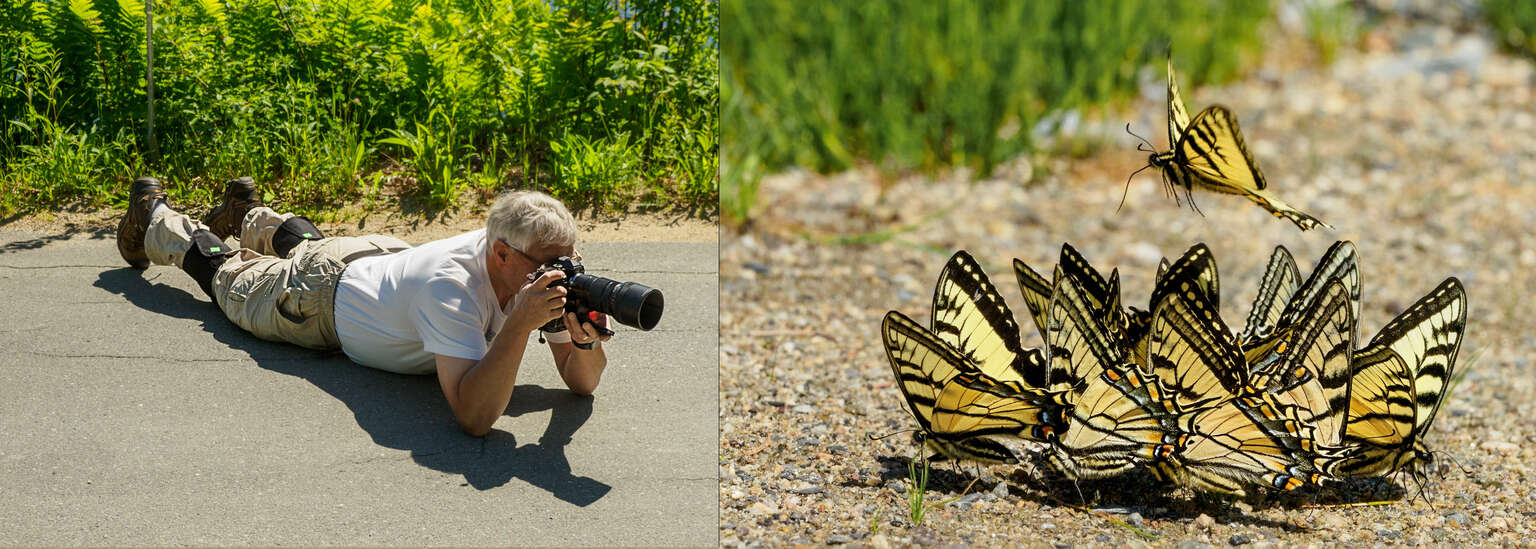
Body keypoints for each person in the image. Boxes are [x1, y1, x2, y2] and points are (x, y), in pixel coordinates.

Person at [115, 177, 611, 436]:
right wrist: (520, 325)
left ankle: (245, 211)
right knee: (225, 277)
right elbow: (474, 417)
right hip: (317, 297)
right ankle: (154, 215)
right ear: (501, 253)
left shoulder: (529, 268)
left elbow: (582, 382)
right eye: (553, 263)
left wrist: (583, 338)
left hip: (377, 256)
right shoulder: (452, 288)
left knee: (316, 247)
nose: (565, 272)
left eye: (570, 260)